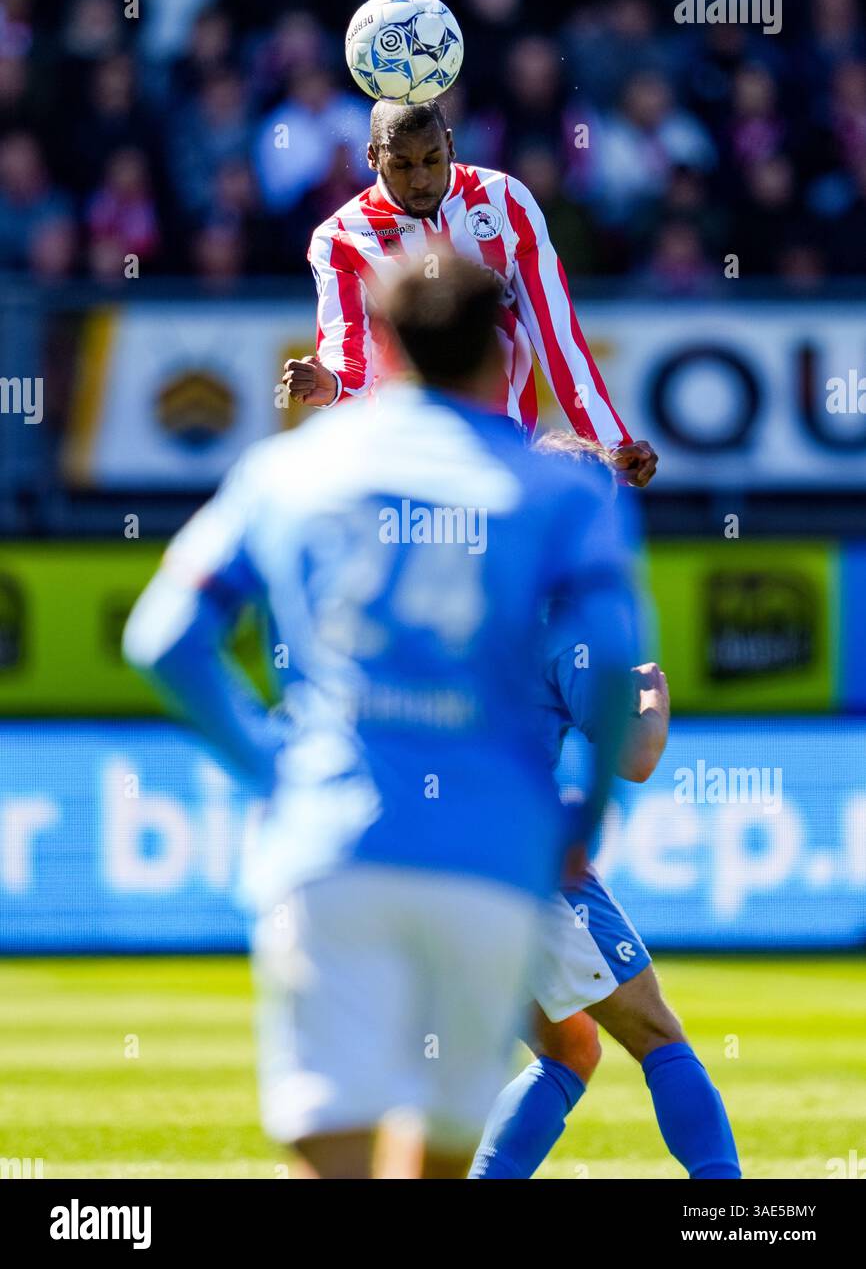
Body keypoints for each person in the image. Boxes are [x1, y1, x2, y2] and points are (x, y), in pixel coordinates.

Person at [123, 255, 642, 1179]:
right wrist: (584, 818)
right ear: (501, 348)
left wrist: (273, 769)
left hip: (329, 848)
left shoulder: (291, 467)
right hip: (494, 856)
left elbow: (163, 638)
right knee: (439, 1154)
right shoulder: (562, 492)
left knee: (331, 1151)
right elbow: (609, 670)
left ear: (386, 345)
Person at [470, 432, 740, 1181]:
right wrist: (652, 692)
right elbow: (636, 757)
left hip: (423, 845)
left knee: (571, 1048)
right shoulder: (570, 615)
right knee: (656, 1033)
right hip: (518, 849)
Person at [282, 97, 658, 487]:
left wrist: (612, 441)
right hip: (403, 454)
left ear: (450, 145)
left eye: (432, 159)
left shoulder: (506, 201)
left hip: (502, 440)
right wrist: (332, 385)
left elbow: (556, 333)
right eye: (402, 165)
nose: (420, 180)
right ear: (373, 157)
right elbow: (347, 357)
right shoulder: (339, 238)